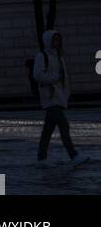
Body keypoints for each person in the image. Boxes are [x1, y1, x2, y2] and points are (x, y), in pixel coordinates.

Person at [35, 30, 90, 168]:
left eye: (59, 40)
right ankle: (74, 155)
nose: (57, 42)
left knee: (48, 129)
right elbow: (38, 75)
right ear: (48, 41)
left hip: (59, 97)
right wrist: (54, 78)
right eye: (55, 40)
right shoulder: (42, 56)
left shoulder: (60, 57)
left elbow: (65, 79)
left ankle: (41, 157)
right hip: (50, 98)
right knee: (63, 125)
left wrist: (66, 94)